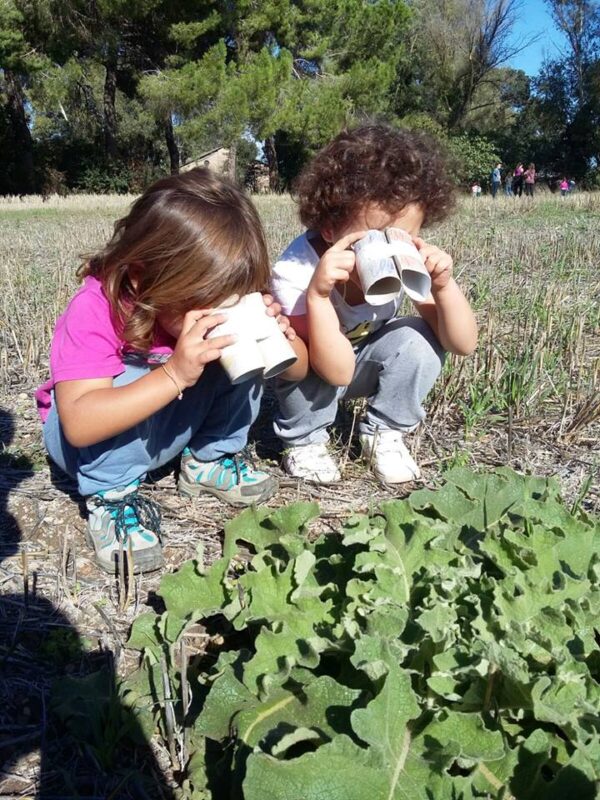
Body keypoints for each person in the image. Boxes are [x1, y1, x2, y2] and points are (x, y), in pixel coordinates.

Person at [35, 169, 289, 572]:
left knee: (235, 347)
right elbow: (80, 423)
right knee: (137, 375)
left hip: (165, 425)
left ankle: (209, 458)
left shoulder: (194, 309)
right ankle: (112, 498)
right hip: (85, 440)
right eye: (206, 300)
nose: (220, 311)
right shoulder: (93, 309)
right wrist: (173, 374)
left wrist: (266, 332)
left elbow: (295, 374)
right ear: (140, 277)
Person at [270, 124, 478, 485]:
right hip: (320, 366)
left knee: (419, 336)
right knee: (298, 358)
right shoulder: (295, 272)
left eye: (404, 236)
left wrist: (443, 286)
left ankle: (384, 432)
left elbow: (462, 343)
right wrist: (318, 297)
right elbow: (334, 371)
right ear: (330, 228)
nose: (390, 249)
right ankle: (305, 439)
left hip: (359, 359)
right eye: (375, 238)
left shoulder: (403, 259)